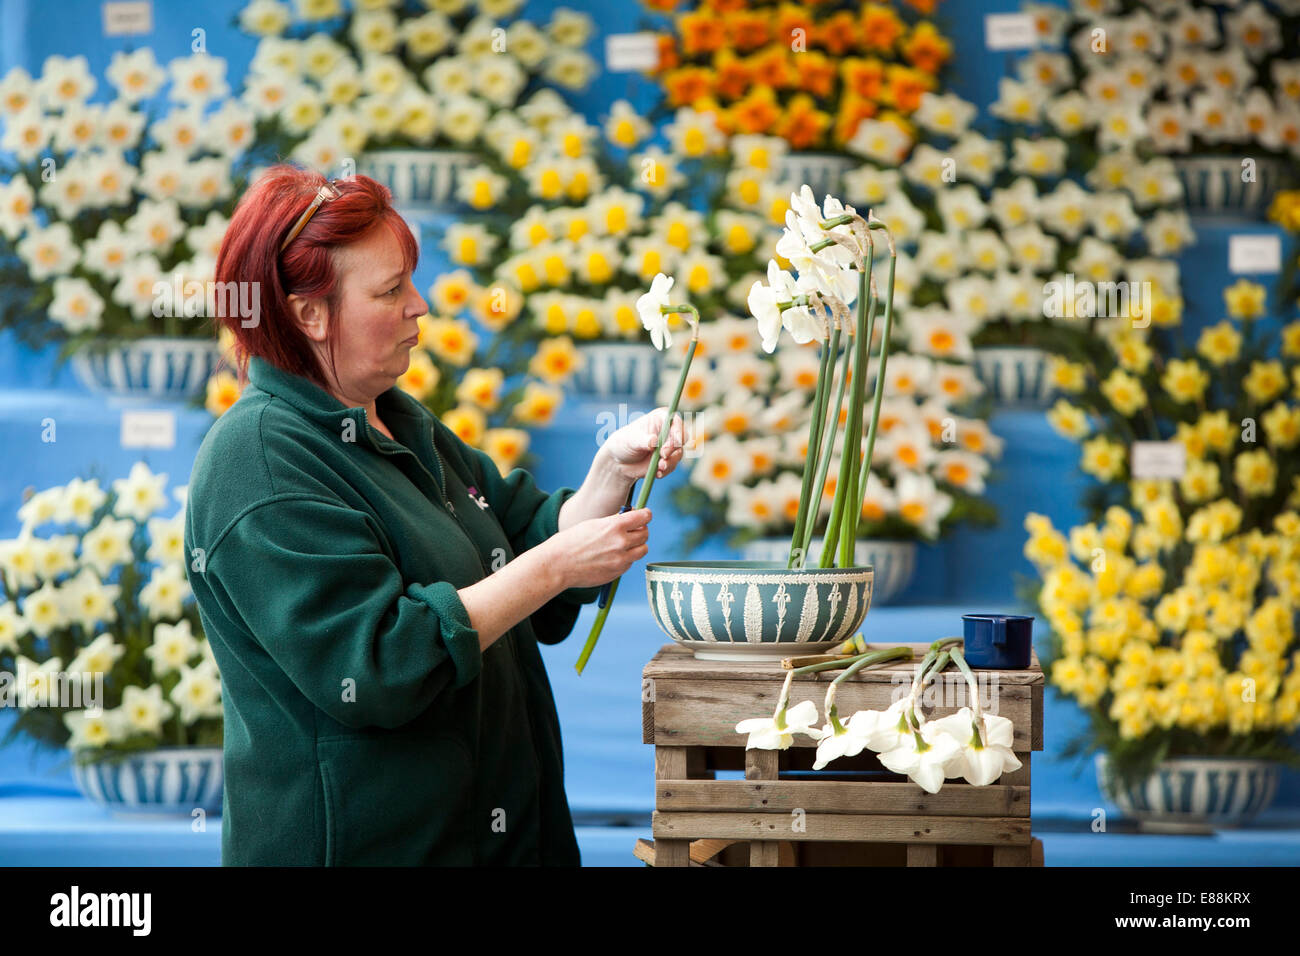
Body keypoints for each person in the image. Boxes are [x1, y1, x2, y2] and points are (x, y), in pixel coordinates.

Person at [183, 165, 686, 865]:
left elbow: (520, 541)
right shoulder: (259, 462)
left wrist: (611, 471)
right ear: (308, 314)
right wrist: (552, 568)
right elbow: (382, 663)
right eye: (391, 290)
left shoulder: (394, 421)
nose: (419, 306)